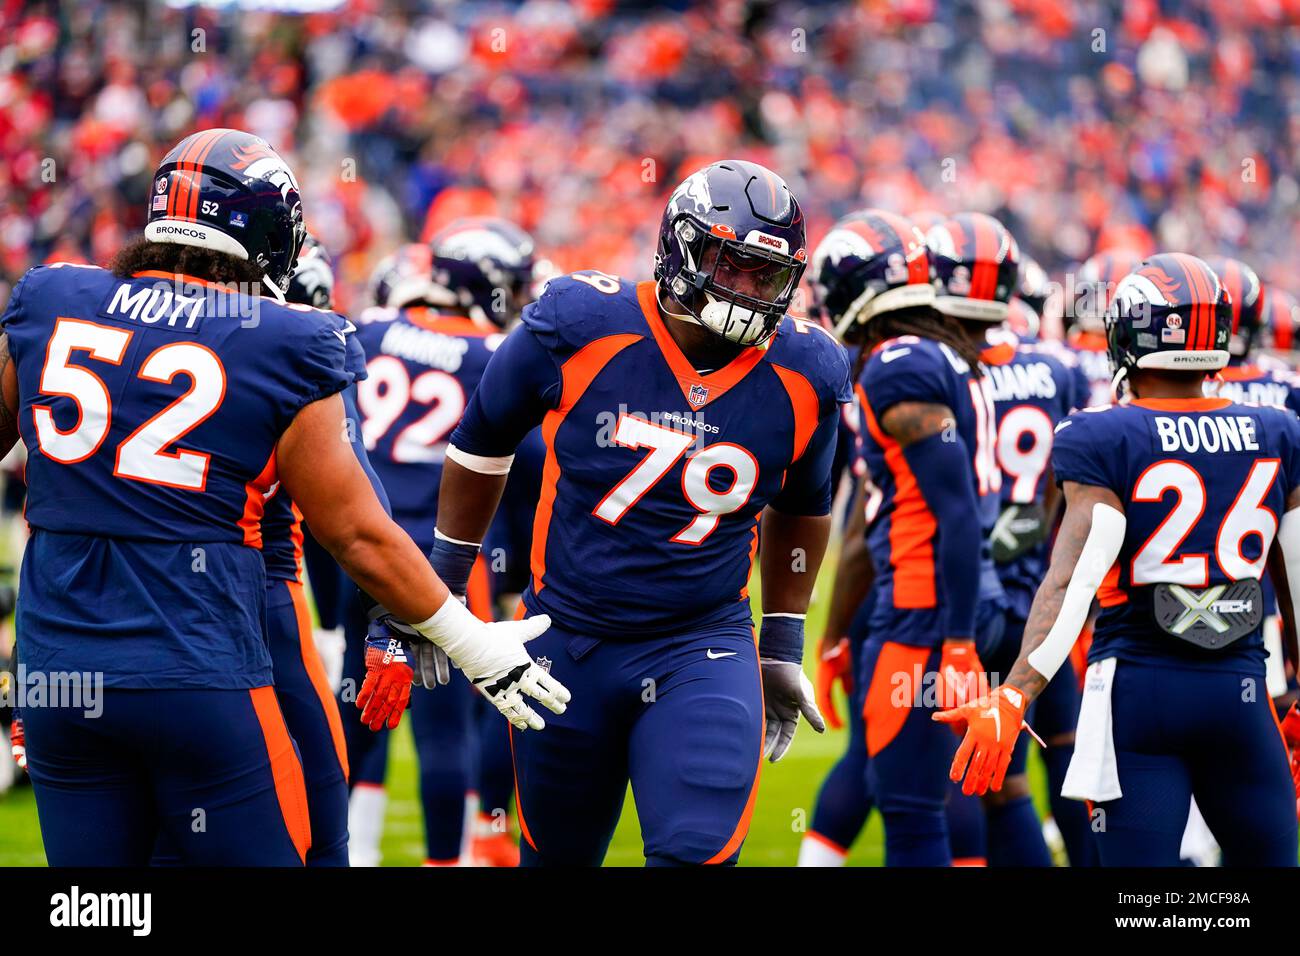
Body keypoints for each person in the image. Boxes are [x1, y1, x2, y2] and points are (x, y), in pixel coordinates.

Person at [1, 127, 566, 866]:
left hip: (59, 678)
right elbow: (355, 532)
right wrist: (471, 641)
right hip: (196, 673)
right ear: (270, 235)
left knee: (102, 907)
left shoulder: (52, 296)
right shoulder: (286, 339)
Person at [430, 160, 850, 866]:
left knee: (694, 853)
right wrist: (443, 587)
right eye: (731, 263)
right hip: (565, 639)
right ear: (681, 245)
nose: (748, 289)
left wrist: (779, 644)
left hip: (701, 645)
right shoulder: (582, 320)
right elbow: (483, 437)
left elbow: (804, 505)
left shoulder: (808, 370)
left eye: (766, 275)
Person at [939, 252, 1300, 866]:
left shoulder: (1102, 434)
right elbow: (1295, 574)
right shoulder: (1279, 430)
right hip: (1240, 694)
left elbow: (1071, 581)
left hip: (1139, 694)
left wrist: (1014, 694)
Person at [353, 216, 538, 866]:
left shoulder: (370, 329)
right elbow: (527, 469)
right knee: (444, 730)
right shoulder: (494, 355)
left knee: (354, 705)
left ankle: (353, 850)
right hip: (435, 562)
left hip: (350, 545)